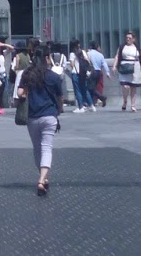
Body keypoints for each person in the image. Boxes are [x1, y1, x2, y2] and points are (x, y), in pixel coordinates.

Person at [17, 42, 64, 196]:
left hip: (32, 116)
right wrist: (59, 110)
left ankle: (43, 178)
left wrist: (26, 92)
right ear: (46, 57)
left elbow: (19, 93)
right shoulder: (54, 77)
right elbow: (60, 97)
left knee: (37, 148)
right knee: (47, 147)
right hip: (49, 115)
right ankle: (42, 179)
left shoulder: (27, 74)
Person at [115, 32, 141, 111]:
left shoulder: (137, 47)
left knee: (133, 87)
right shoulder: (122, 47)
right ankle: (125, 101)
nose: (128, 39)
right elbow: (117, 56)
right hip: (124, 66)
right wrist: (114, 66)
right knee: (125, 86)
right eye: (127, 38)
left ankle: (133, 105)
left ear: (133, 39)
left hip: (135, 66)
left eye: (130, 38)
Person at [68, 39, 94, 113]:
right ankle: (91, 105)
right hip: (83, 73)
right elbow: (88, 61)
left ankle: (81, 107)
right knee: (85, 89)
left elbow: (72, 65)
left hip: (76, 73)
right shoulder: (83, 52)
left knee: (78, 90)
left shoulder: (72, 54)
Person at [85, 41, 110, 108]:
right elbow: (104, 64)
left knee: (90, 88)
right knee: (94, 87)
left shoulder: (88, 54)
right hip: (99, 72)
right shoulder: (100, 55)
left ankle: (102, 97)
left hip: (92, 72)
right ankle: (93, 102)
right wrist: (107, 72)